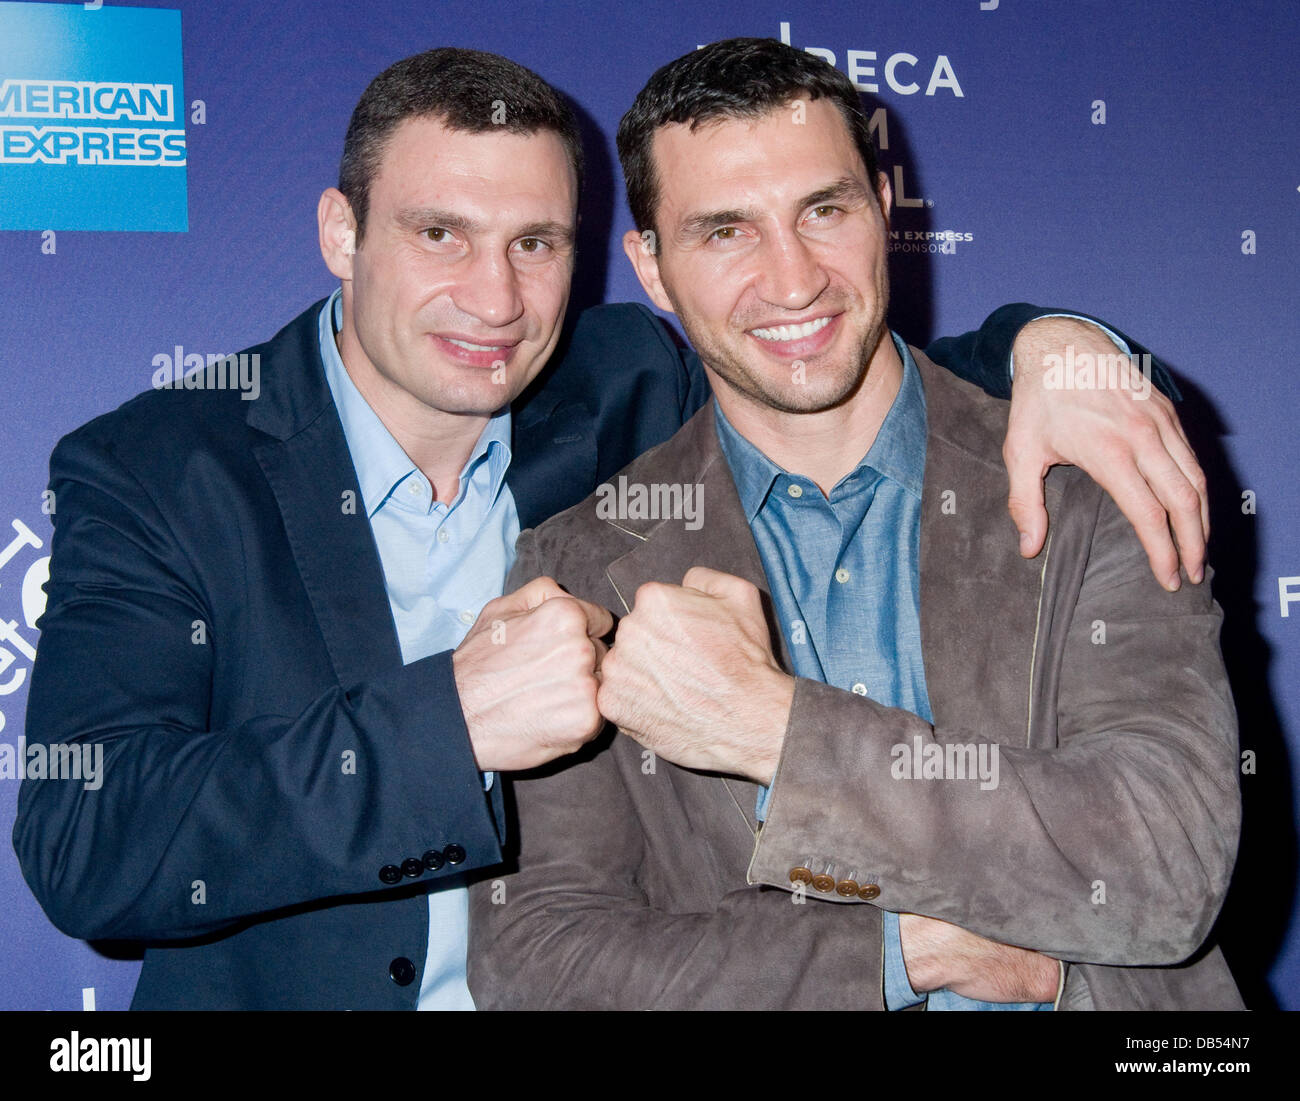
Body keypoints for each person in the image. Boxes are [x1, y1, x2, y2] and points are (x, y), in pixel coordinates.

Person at [15, 45, 1206, 1011]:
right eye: (441, 235)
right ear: (342, 232)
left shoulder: (620, 381)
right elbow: (88, 841)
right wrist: (447, 725)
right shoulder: (163, 464)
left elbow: (820, 356)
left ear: (604, 263)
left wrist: (1056, 342)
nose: (495, 300)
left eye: (535, 245)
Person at [467, 38, 1242, 1010]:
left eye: (822, 211)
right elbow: (539, 970)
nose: (792, 281)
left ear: (881, 210)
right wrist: (906, 950)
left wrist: (773, 728)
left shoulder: (1087, 469)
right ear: (652, 269)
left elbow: (1165, 867)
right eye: (724, 232)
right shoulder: (581, 562)